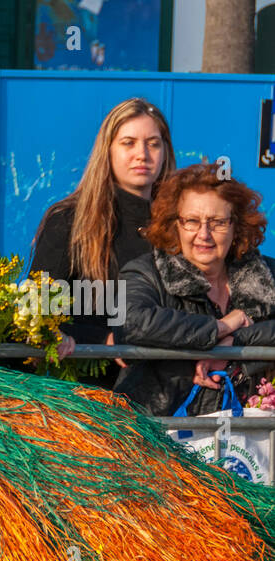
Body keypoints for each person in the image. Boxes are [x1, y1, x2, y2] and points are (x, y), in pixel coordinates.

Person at [32, 98, 176, 386]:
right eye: (128, 143)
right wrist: (103, 339)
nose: (142, 154)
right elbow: (37, 310)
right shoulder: (69, 219)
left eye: (153, 143)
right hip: (92, 397)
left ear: (165, 152)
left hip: (174, 394)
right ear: (107, 150)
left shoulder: (182, 223)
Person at [117, 162, 275, 416]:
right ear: (175, 224)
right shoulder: (145, 272)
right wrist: (219, 328)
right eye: (191, 221)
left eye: (217, 222)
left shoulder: (265, 273)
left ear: (236, 227)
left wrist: (237, 343)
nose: (204, 234)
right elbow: (129, 323)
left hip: (249, 444)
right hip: (158, 436)